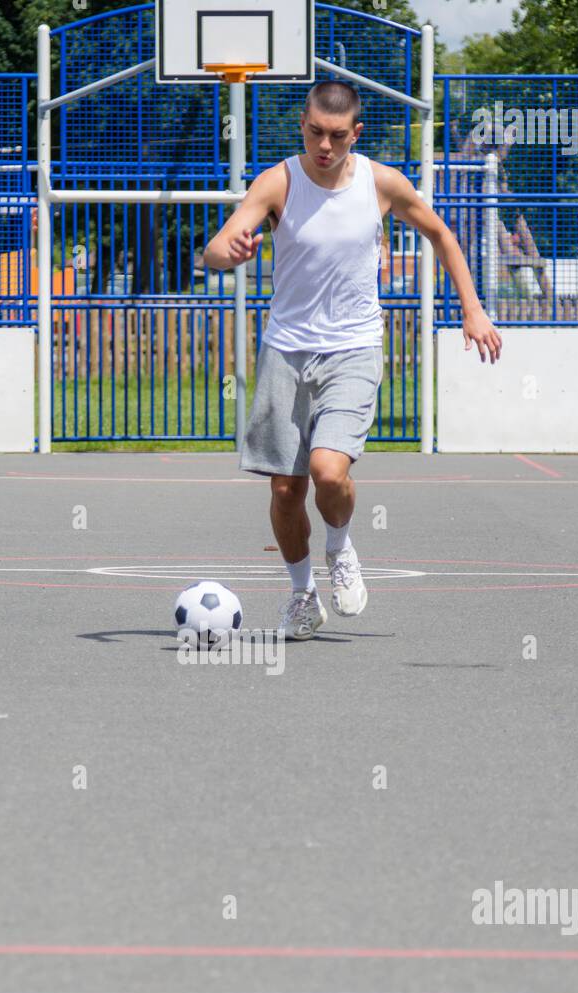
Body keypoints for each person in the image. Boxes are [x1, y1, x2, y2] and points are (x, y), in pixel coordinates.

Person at [204, 81, 502, 639]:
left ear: (355, 134)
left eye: (337, 136)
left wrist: (473, 309)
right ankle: (301, 595)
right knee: (285, 490)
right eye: (315, 131)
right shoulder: (279, 182)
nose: (325, 144)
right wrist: (232, 252)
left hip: (354, 349)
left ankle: (340, 548)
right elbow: (216, 248)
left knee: (326, 471)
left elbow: (441, 234)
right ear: (303, 125)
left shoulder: (381, 182)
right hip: (285, 352)